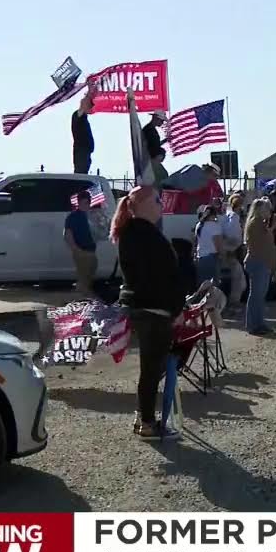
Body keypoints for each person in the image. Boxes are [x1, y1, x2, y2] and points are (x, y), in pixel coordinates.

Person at [111, 186, 185, 440]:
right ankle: (146, 422)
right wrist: (176, 308)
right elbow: (161, 277)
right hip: (153, 309)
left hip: (148, 307)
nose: (161, 204)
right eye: (156, 200)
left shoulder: (136, 232)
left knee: (152, 367)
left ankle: (143, 415)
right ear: (141, 204)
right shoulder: (141, 234)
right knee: (152, 368)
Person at [243, 198, 276, 335]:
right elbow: (261, 243)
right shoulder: (255, 224)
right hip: (258, 262)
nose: (269, 211)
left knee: (260, 296)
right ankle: (253, 325)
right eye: (266, 208)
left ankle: (259, 323)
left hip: (263, 263)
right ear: (259, 210)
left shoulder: (260, 223)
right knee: (256, 295)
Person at [64, 190, 98, 296]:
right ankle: (81, 299)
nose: (85, 205)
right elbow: (68, 235)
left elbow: (100, 232)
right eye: (83, 203)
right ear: (78, 203)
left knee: (89, 278)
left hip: (92, 251)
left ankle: (83, 296)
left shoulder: (93, 216)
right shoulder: (73, 217)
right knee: (83, 278)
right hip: (81, 251)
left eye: (87, 203)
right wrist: (76, 250)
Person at [221, 192, 247, 308]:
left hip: (230, 251)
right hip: (233, 251)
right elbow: (233, 236)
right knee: (239, 280)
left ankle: (234, 301)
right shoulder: (234, 218)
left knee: (238, 278)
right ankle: (234, 302)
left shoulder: (228, 216)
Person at [194, 205, 224, 287]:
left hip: (201, 256)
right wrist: (222, 256)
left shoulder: (199, 225)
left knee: (202, 285)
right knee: (213, 286)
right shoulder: (215, 226)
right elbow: (218, 244)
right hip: (212, 257)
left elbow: (196, 241)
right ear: (214, 215)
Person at [71, 90, 95, 174]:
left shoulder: (84, 118)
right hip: (81, 152)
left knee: (83, 172)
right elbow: (83, 105)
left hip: (86, 153)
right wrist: (89, 94)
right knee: (80, 173)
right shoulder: (78, 116)